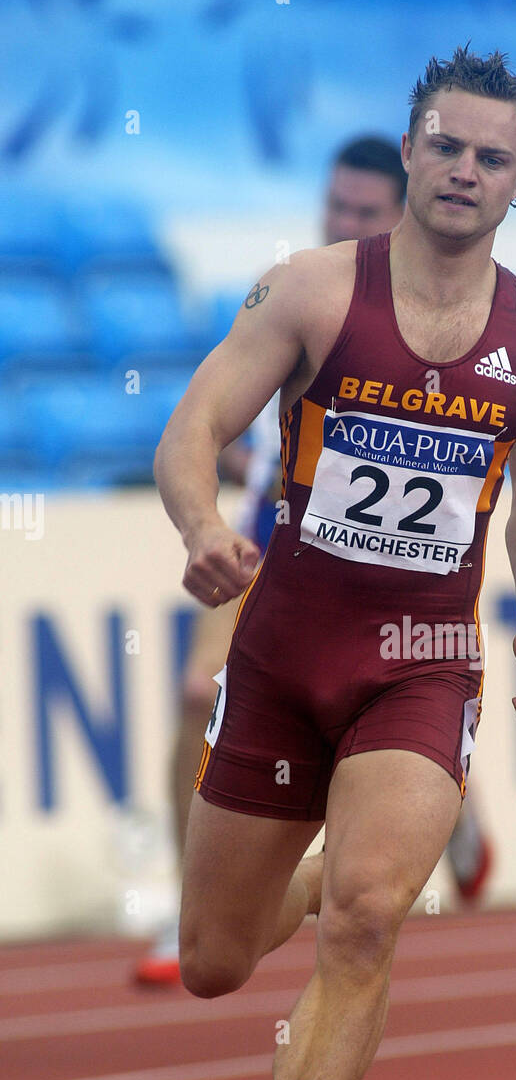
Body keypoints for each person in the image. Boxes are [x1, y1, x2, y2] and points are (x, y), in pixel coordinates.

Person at [154, 45, 516, 1080]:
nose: (462, 169)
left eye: (489, 156)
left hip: (422, 663)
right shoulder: (306, 293)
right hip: (287, 653)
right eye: (442, 145)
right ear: (406, 150)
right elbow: (192, 430)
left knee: (367, 916)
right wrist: (199, 530)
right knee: (212, 963)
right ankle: (298, 873)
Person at [135, 135, 493, 985]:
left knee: (389, 712)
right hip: (267, 542)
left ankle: (453, 817)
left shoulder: (417, 308)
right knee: (196, 692)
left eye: (363, 211)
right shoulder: (297, 288)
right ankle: (187, 891)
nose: (344, 221)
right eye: (335, 204)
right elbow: (213, 418)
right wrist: (209, 515)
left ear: (398, 210)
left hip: (381, 577)